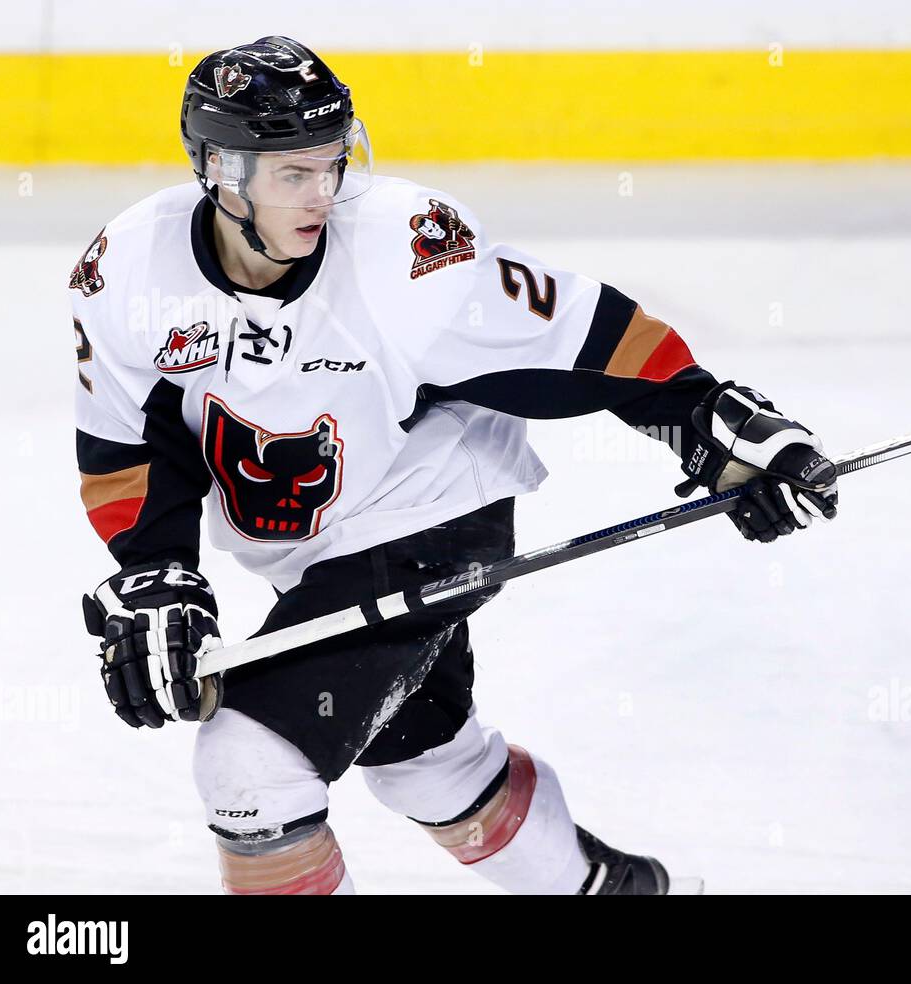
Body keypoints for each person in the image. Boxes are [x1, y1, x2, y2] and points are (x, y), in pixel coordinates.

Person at [73, 36, 838, 896]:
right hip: (317, 549)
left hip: (434, 517)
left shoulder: (401, 252)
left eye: (334, 163)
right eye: (294, 174)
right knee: (424, 762)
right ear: (218, 169)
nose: (323, 192)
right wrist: (160, 574)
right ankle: (611, 889)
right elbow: (131, 449)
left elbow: (579, 339)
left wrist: (706, 420)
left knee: (251, 770)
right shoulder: (129, 272)